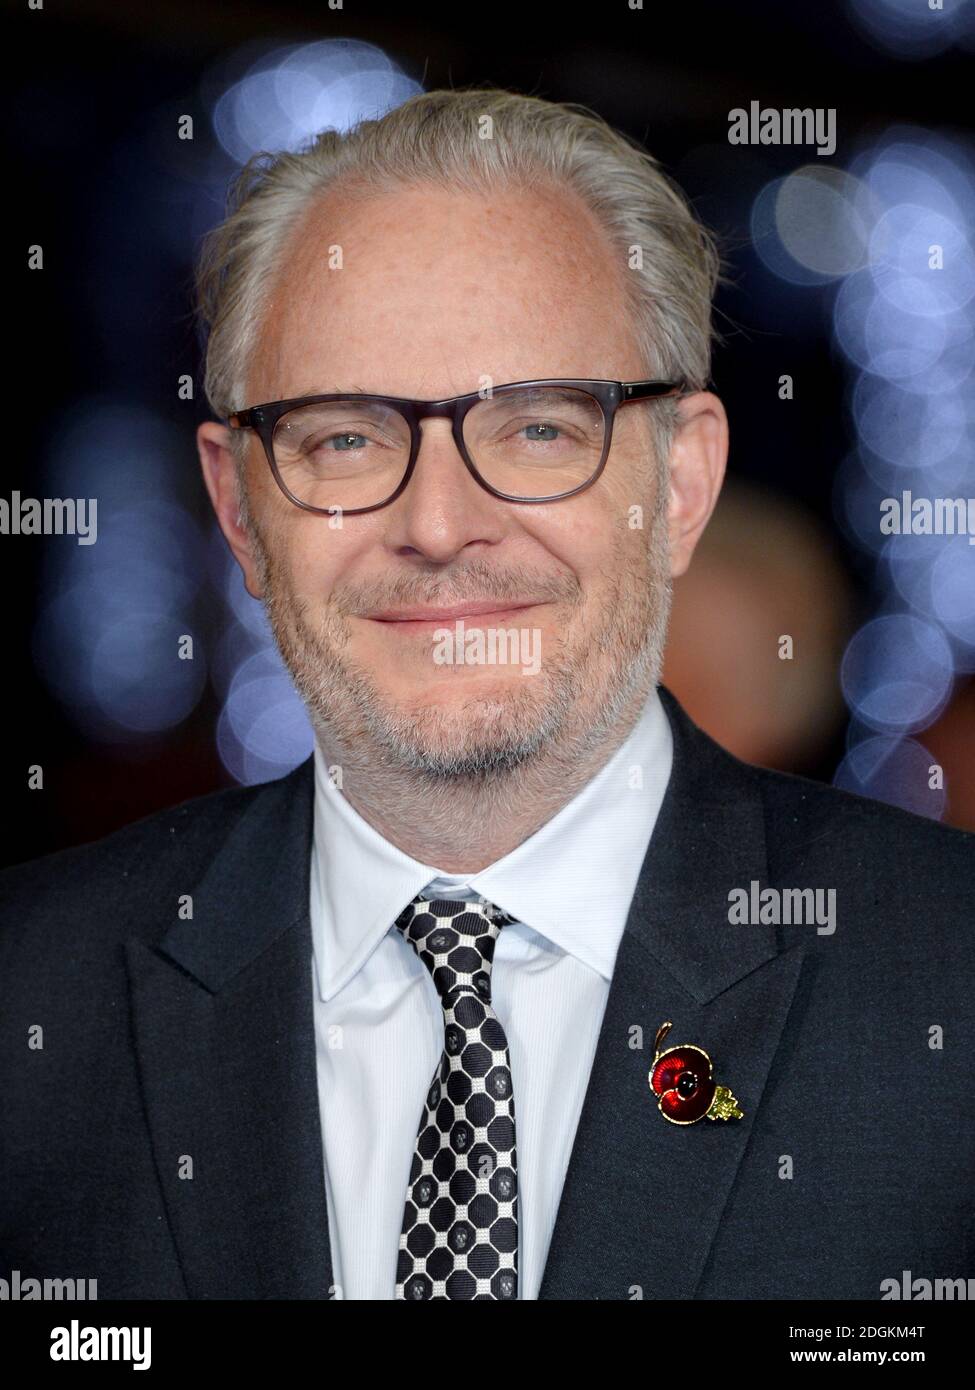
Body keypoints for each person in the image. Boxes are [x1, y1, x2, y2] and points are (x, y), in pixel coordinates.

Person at [1, 87, 972, 1302]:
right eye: (344, 438)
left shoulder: (950, 985)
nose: (441, 525)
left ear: (680, 483)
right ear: (240, 508)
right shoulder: (27, 1000)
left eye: (538, 431)